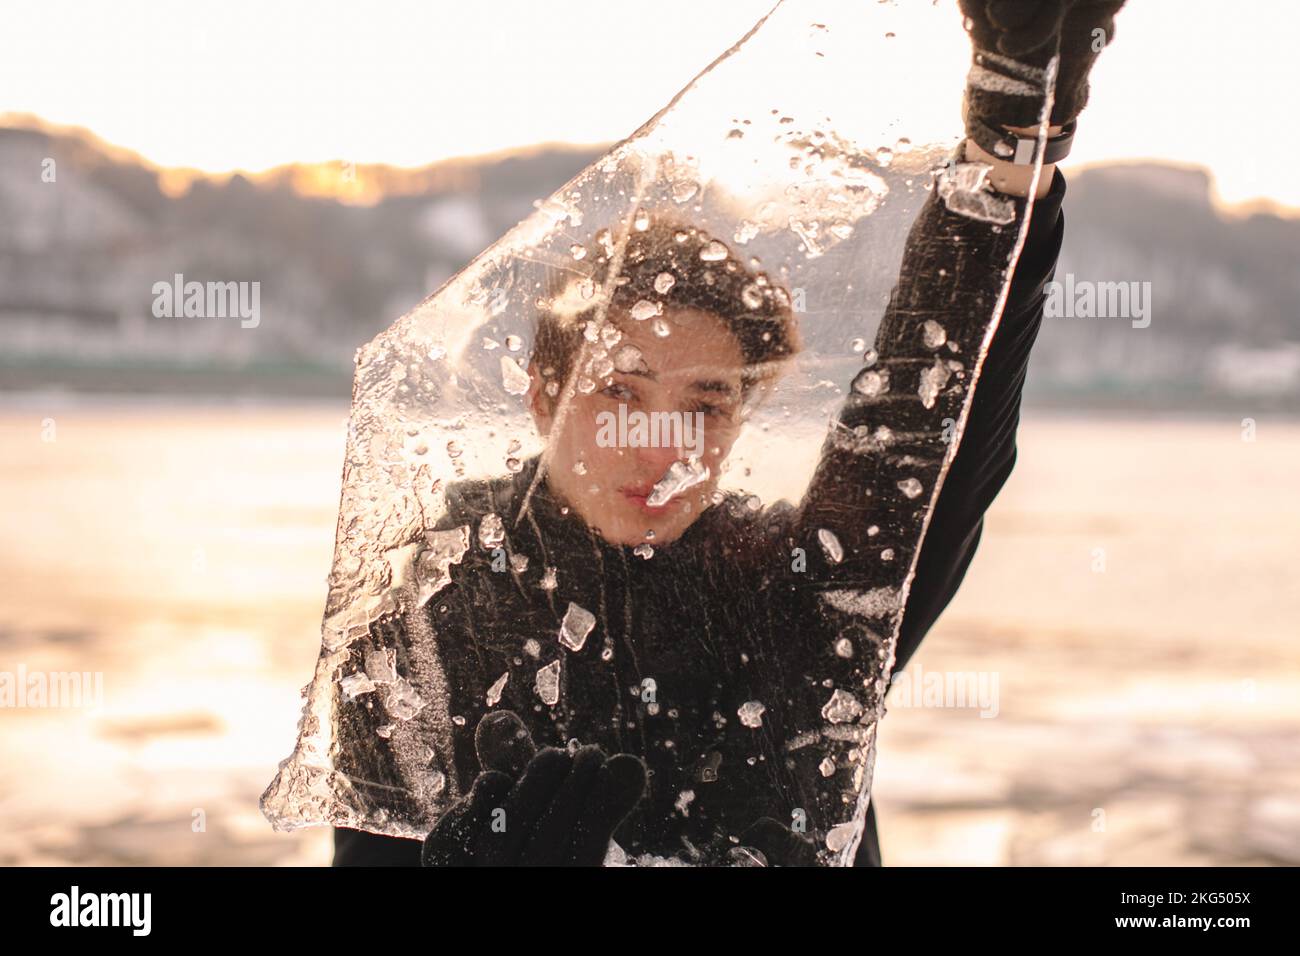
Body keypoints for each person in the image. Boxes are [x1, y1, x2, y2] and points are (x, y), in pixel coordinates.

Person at [331, 0, 1126, 866]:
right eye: (620, 393)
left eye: (706, 404)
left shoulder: (793, 596)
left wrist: (1012, 137)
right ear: (541, 399)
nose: (661, 444)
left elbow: (928, 428)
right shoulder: (422, 628)